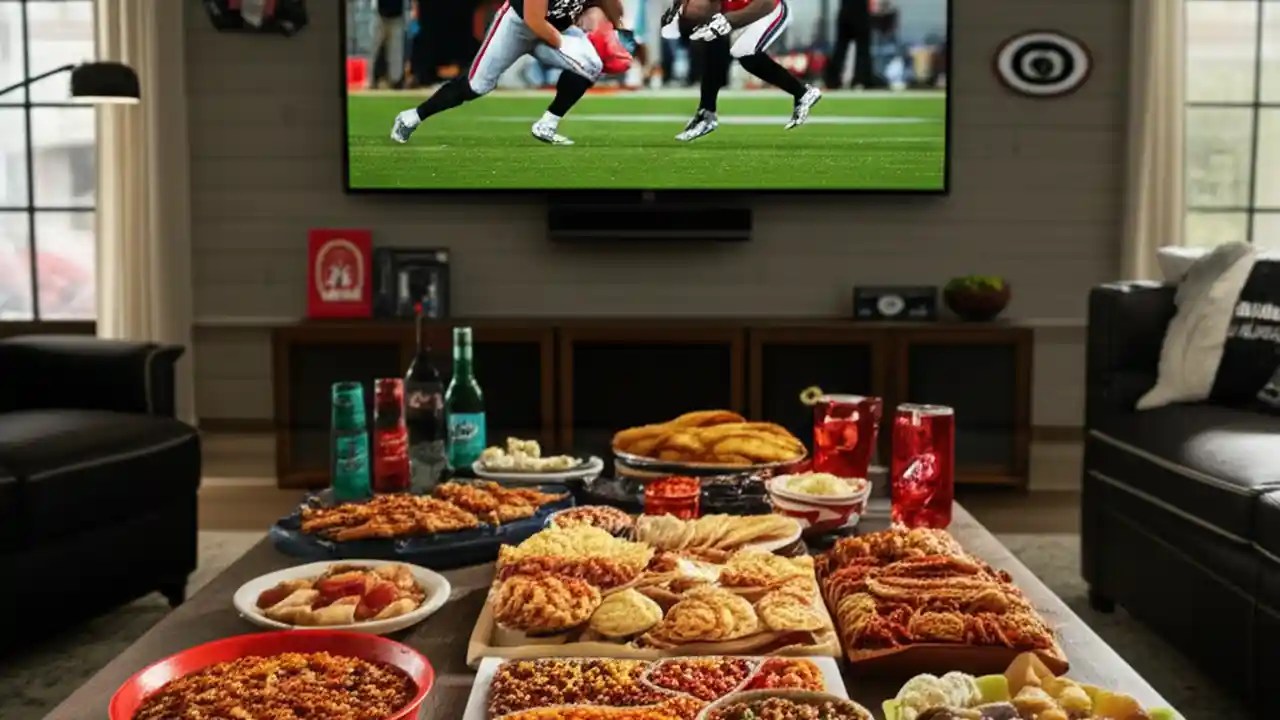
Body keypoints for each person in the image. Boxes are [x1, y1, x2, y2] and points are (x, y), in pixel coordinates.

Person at [391, 0, 628, 146]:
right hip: (519, 26)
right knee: (477, 85)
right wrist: (566, 46)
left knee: (591, 65)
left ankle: (547, 124)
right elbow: (535, 20)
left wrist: (618, 32)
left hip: (557, 28)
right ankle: (411, 117)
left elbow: (609, 5)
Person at [663, 0, 821, 143]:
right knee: (713, 44)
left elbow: (766, 3)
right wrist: (680, 15)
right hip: (739, 16)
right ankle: (706, 113)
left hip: (770, 9)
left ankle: (802, 91)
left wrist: (729, 20)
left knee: (744, 51)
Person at [372, 0, 407, 89]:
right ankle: (374, 79)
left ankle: (395, 80)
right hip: (382, 15)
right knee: (376, 50)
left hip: (396, 16)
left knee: (395, 51)